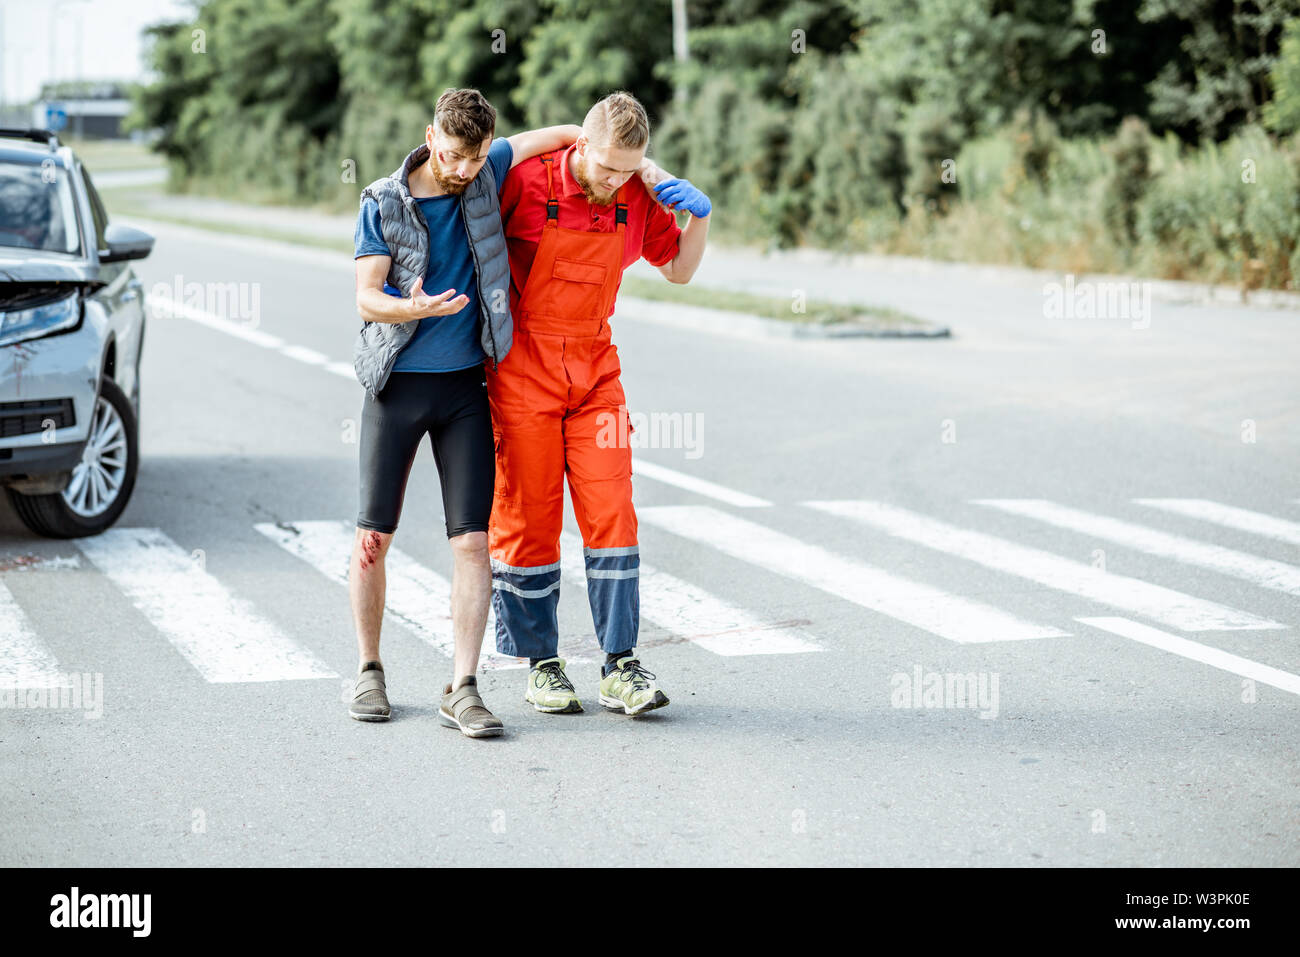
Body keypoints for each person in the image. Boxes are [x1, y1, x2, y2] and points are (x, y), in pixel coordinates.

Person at [347, 87, 582, 736]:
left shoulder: (488, 168)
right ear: (430, 136)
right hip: (396, 385)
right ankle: (369, 668)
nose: (462, 171)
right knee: (374, 539)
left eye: (474, 160)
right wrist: (414, 307)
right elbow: (368, 299)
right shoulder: (382, 200)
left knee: (473, 541)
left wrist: (637, 165)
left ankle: (465, 685)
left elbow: (567, 132)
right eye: (452, 157)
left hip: (463, 392)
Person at [488, 90, 712, 716]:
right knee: (529, 516)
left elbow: (680, 271)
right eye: (607, 167)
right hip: (521, 369)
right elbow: (474, 187)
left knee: (613, 509)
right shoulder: (528, 181)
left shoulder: (638, 193)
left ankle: (620, 664)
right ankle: (544, 665)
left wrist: (701, 217)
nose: (616, 181)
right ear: (579, 145)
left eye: (628, 169)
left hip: (595, 374)